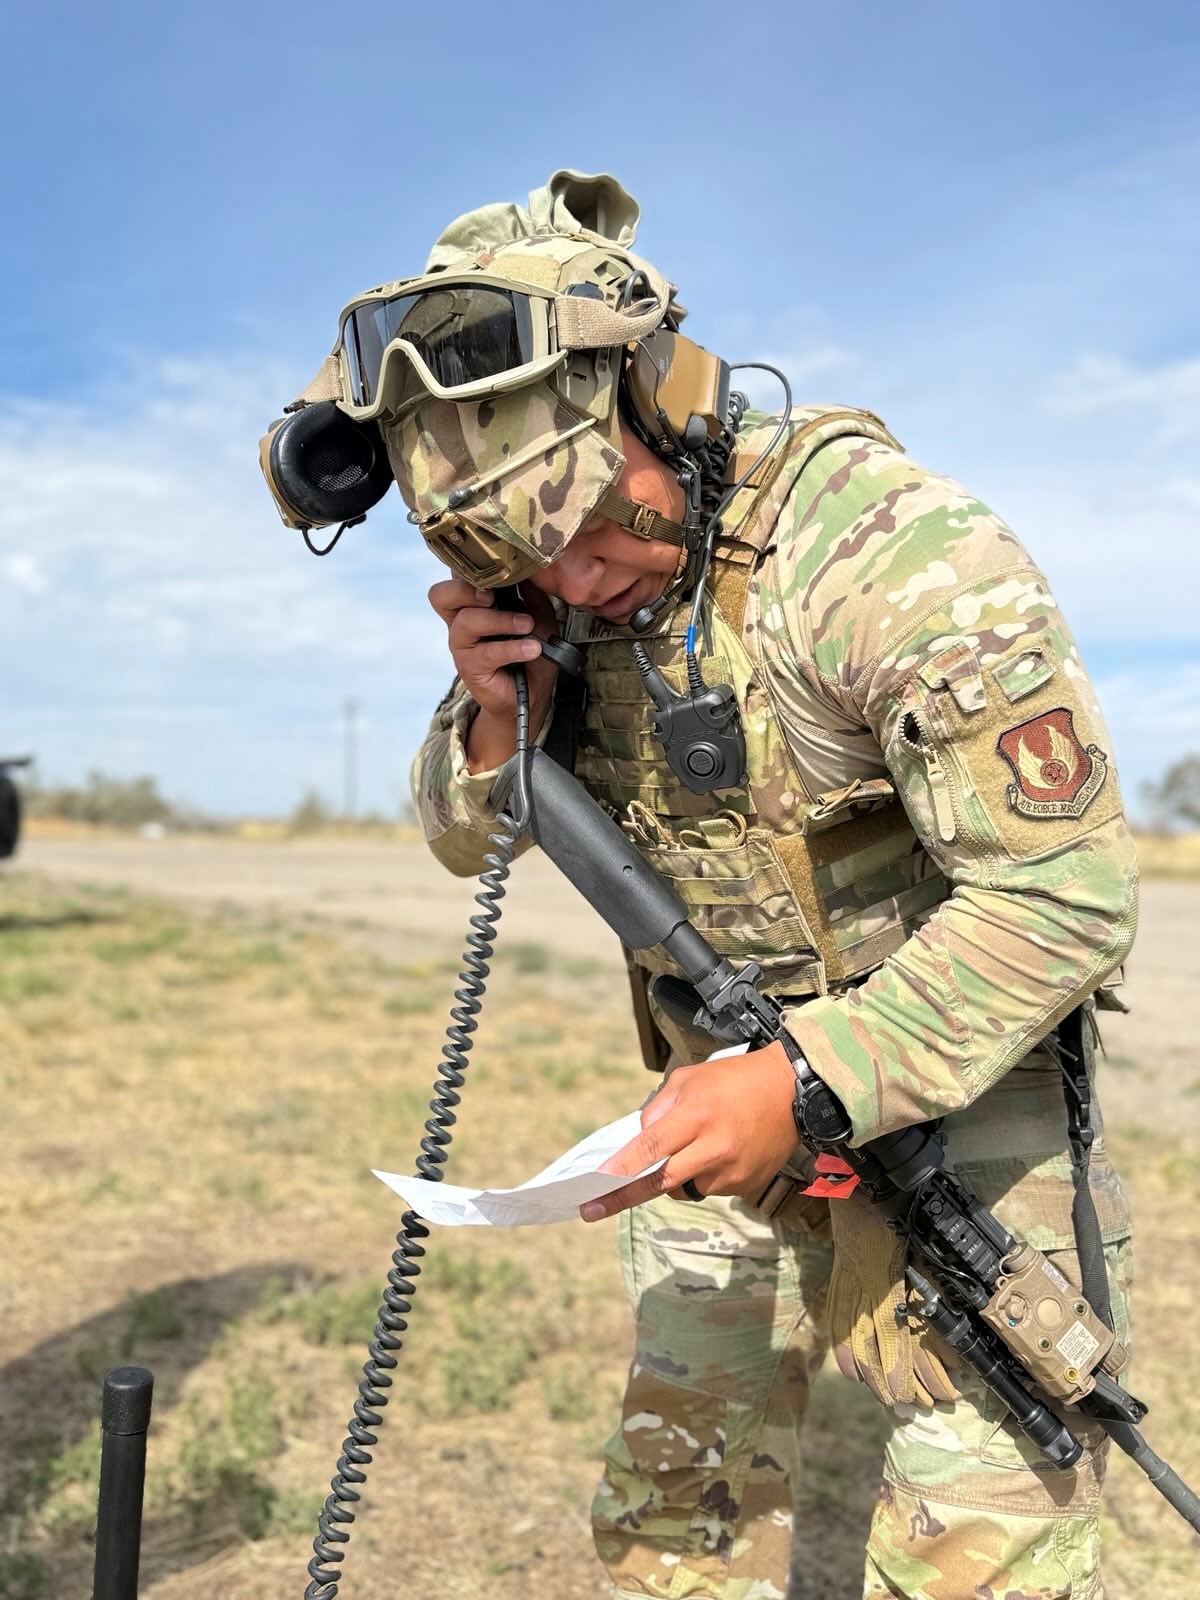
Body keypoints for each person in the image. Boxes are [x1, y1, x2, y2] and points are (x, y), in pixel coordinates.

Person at [276, 170, 1138, 1600]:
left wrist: (806, 1080)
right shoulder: (552, 585)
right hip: (710, 1123)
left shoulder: (888, 554)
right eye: (527, 553)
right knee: (675, 1522)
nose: (580, 574)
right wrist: (498, 719)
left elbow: (1066, 894)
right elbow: (454, 831)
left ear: (660, 398)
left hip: (959, 1120)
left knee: (989, 1554)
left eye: (599, 522)